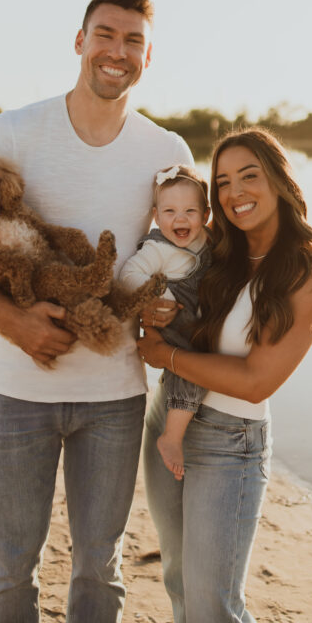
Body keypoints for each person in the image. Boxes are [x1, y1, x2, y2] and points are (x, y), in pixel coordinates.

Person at [0, 0, 192, 623]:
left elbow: (180, 261)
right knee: (12, 566)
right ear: (78, 42)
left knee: (98, 567)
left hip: (113, 400)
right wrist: (9, 320)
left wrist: (168, 318)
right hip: (16, 392)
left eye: (132, 41)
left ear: (148, 56)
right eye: (105, 35)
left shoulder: (166, 152)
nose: (117, 51)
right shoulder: (11, 134)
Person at [137, 127, 312, 623]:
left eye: (248, 176)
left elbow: (260, 379)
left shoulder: (311, 274)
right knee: (182, 586)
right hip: (168, 422)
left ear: (280, 181)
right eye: (224, 181)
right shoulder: (217, 252)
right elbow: (166, 296)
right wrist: (155, 312)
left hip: (230, 444)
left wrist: (167, 355)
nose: (234, 193)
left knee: (216, 606)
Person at [119, 164, 211, 480]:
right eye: (170, 211)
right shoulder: (158, 247)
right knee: (190, 371)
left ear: (206, 215)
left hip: (198, 319)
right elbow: (128, 274)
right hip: (174, 326)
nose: (180, 219)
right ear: (157, 216)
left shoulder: (208, 242)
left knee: (203, 362)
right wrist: (163, 297)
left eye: (190, 211)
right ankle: (171, 437)